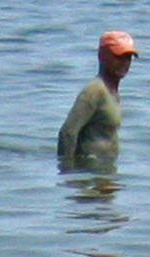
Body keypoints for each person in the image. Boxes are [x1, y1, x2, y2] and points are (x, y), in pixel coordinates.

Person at [57, 30, 137, 174]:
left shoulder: (111, 90)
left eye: (128, 57)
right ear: (102, 56)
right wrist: (67, 171)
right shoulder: (94, 90)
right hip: (89, 171)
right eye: (119, 57)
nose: (125, 63)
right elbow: (68, 132)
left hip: (104, 170)